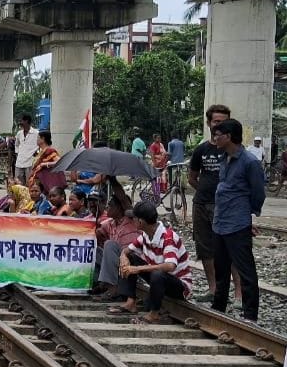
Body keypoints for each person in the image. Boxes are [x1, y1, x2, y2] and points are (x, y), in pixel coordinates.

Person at [209, 118, 265, 323]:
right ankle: (218, 308)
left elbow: (258, 192)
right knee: (221, 270)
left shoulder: (249, 162)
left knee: (245, 270)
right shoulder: (224, 159)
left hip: (238, 223)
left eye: (218, 134)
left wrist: (247, 214)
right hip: (220, 223)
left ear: (229, 136)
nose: (214, 138)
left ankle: (250, 315)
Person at [107, 201, 193, 323]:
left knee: (157, 273)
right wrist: (123, 257)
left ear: (140, 222)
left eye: (134, 218)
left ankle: (154, 313)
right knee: (131, 259)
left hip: (178, 285)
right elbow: (127, 250)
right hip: (159, 278)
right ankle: (130, 302)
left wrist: (137, 269)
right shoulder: (146, 235)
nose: (132, 221)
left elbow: (170, 266)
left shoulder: (167, 237)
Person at [188, 104, 234, 301]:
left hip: (226, 206)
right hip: (202, 204)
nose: (220, 126)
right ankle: (213, 289)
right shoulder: (201, 150)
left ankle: (238, 294)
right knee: (205, 248)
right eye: (216, 121)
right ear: (209, 123)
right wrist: (205, 191)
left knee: (231, 248)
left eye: (224, 122)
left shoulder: (233, 151)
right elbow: (192, 178)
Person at [92, 192, 144, 300]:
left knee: (109, 244)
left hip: (130, 261)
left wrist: (113, 181)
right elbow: (96, 234)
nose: (107, 207)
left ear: (120, 208)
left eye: (110, 205)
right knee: (94, 249)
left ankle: (113, 288)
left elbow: (125, 202)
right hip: (118, 263)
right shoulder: (110, 223)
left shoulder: (131, 220)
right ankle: (102, 283)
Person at [13, 115, 40, 186]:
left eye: (21, 121)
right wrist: (17, 153)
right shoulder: (19, 133)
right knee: (18, 184)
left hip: (30, 162)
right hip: (19, 162)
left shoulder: (36, 133)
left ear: (26, 121)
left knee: (30, 183)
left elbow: (41, 145)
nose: (20, 122)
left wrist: (37, 153)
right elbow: (16, 144)